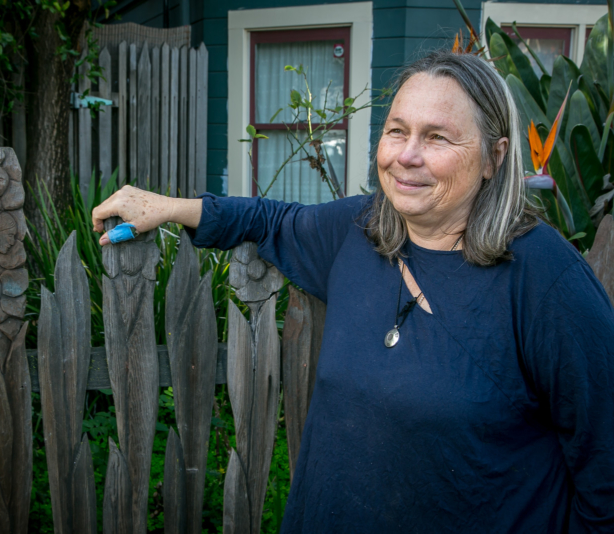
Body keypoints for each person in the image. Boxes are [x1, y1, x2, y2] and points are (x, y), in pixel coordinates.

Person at [92, 50, 614, 532]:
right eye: (396, 131)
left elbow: (604, 475)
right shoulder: (359, 230)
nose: (406, 156)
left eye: (437, 138)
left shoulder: (547, 282)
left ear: (494, 157)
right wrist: (166, 207)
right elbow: (270, 219)